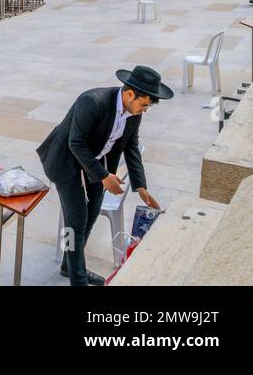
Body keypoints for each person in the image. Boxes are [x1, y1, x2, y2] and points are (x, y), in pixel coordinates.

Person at [37, 65, 169, 286]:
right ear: (129, 94)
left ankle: (70, 266)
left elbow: (131, 147)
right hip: (65, 161)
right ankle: (78, 280)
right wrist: (104, 176)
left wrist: (141, 187)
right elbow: (75, 143)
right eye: (144, 104)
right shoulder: (93, 101)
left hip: (95, 162)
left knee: (92, 213)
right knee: (75, 221)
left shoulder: (134, 113)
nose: (144, 110)